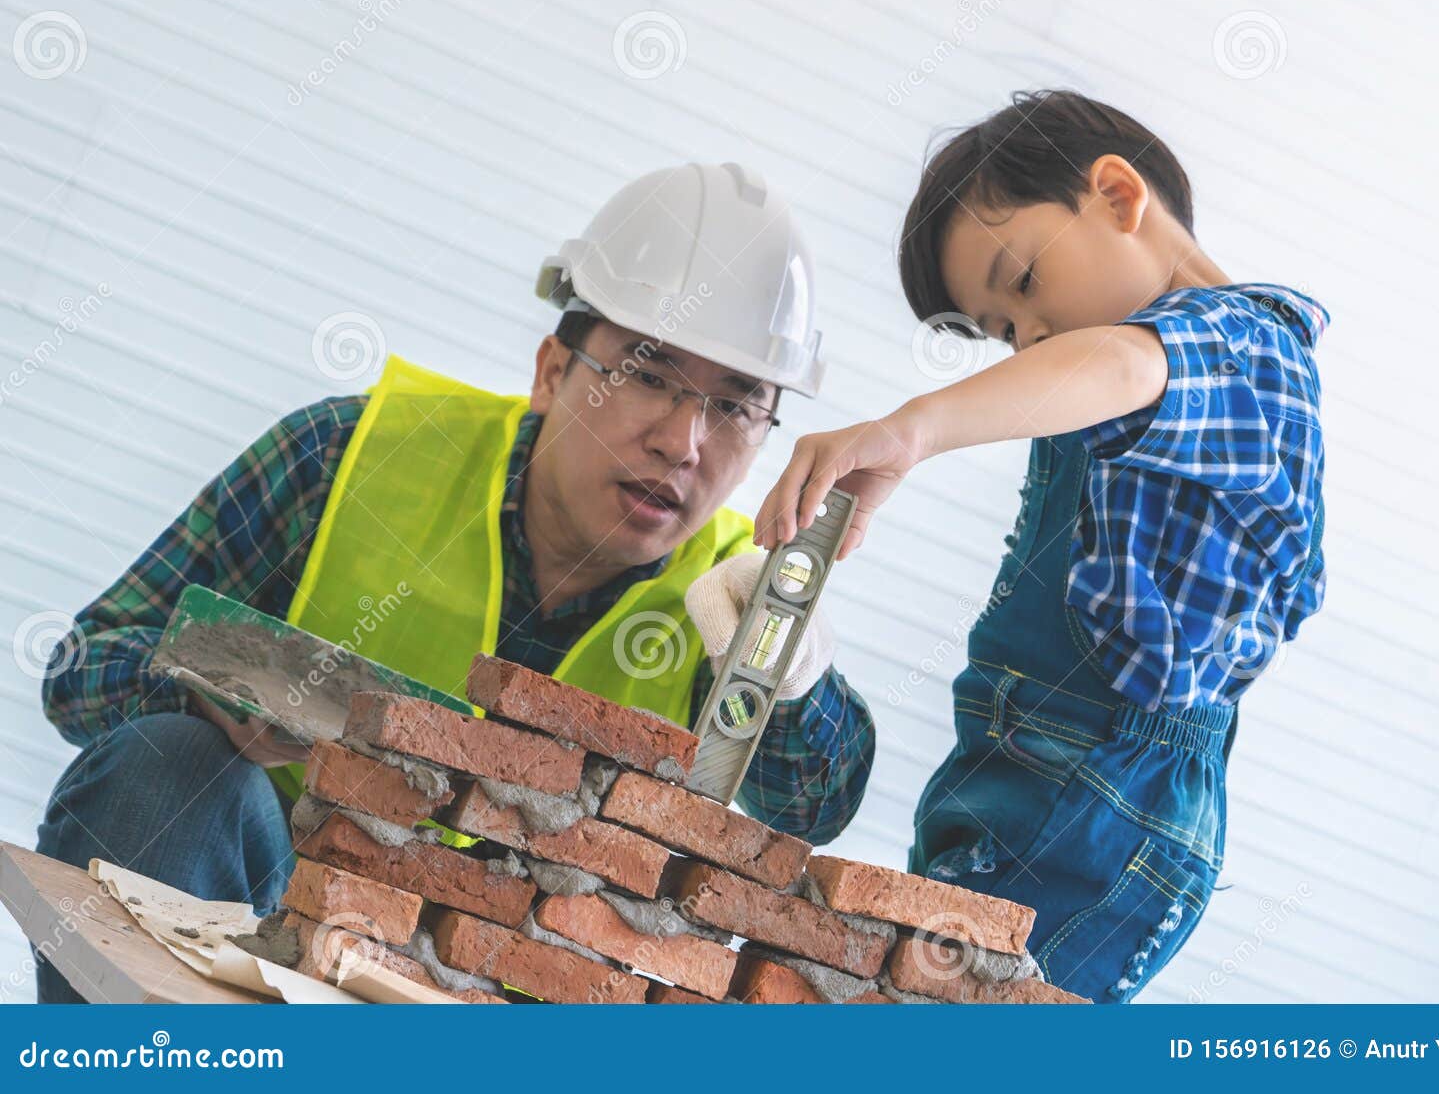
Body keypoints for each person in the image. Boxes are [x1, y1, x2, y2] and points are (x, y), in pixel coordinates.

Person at [33, 163, 874, 1003]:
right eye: (649, 375)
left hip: (495, 998)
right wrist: (206, 697)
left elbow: (814, 806)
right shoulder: (348, 454)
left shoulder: (731, 607)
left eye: (735, 406)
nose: (683, 442)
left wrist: (787, 674)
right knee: (167, 764)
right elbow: (83, 666)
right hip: (261, 924)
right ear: (553, 370)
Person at [756, 91, 1327, 1002]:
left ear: (1117, 196)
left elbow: (1127, 366)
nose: (1029, 340)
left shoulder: (1248, 347)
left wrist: (915, 429)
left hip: (1105, 794)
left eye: (1021, 283)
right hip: (1017, 773)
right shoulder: (1107, 385)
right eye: (1004, 334)